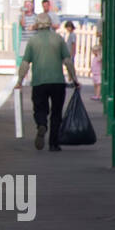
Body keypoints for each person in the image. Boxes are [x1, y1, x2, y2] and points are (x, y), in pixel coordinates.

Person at [15, 12, 78, 151]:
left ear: (37, 24)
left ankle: (41, 124)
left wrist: (19, 80)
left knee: (39, 108)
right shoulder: (58, 39)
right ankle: (54, 144)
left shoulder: (32, 41)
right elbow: (67, 61)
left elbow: (25, 63)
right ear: (50, 24)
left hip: (39, 82)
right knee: (56, 112)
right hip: (57, 82)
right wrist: (75, 79)